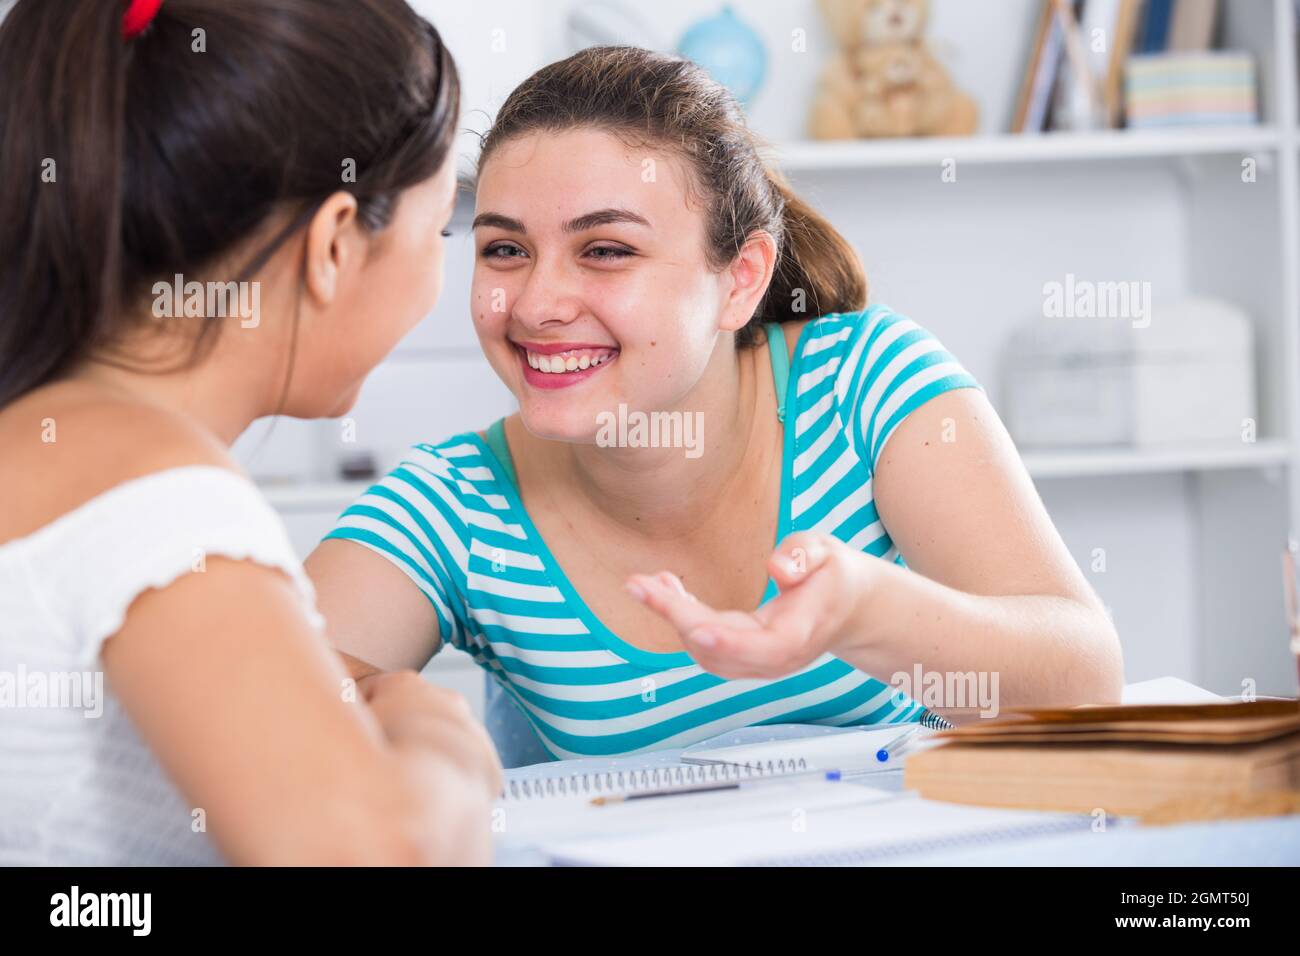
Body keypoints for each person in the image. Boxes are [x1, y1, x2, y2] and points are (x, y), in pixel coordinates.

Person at [307, 46, 1124, 763]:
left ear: (740, 279)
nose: (536, 304)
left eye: (605, 250)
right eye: (506, 250)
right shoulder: (455, 505)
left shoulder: (866, 383)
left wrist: (867, 610)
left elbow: (1087, 687)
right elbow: (266, 703)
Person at [0, 0, 500, 865]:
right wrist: (437, 732)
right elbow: (385, 855)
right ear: (336, 242)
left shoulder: (53, 441)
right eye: (445, 227)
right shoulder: (160, 493)